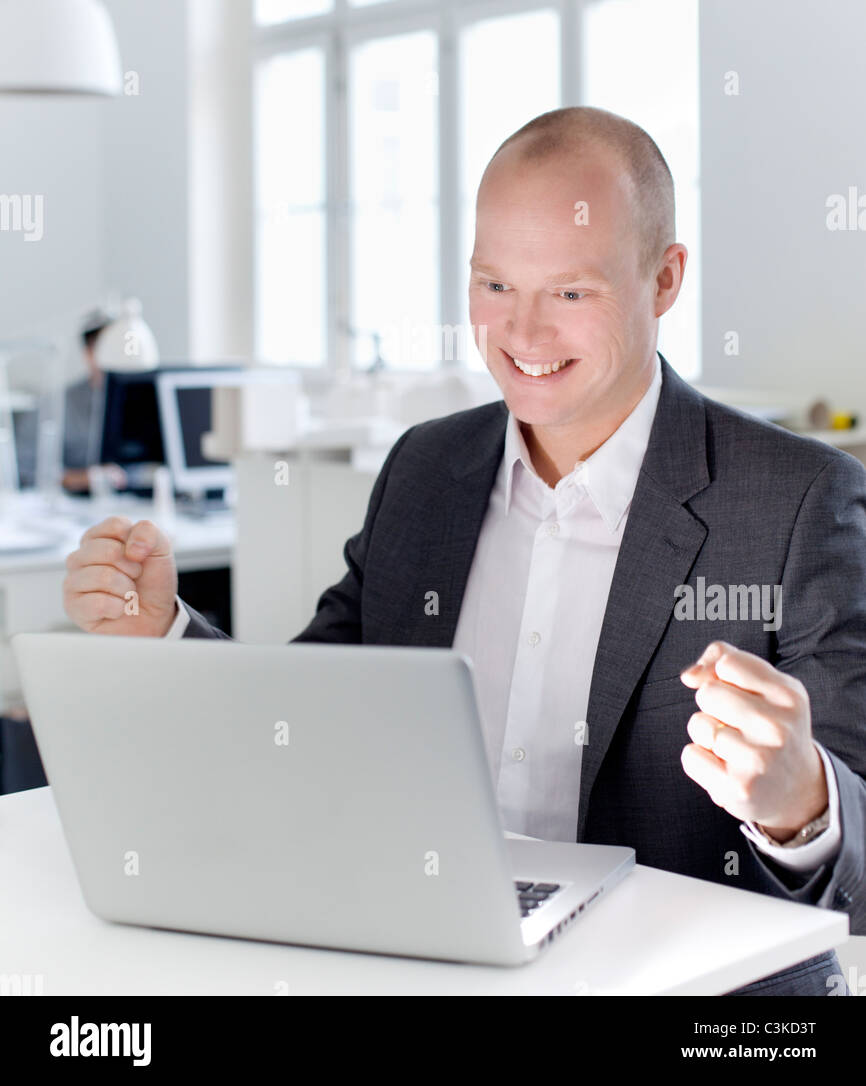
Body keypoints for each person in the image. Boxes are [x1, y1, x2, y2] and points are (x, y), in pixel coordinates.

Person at [62, 106, 866, 996]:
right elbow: (301, 723)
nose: (521, 334)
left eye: (570, 292)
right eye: (493, 286)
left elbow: (858, 860)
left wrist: (803, 803)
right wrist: (165, 635)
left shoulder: (798, 500)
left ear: (665, 278)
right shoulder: (426, 470)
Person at [60, 312, 127, 495]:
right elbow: (29, 471)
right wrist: (87, 478)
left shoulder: (140, 399)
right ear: (89, 353)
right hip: (78, 502)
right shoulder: (61, 403)